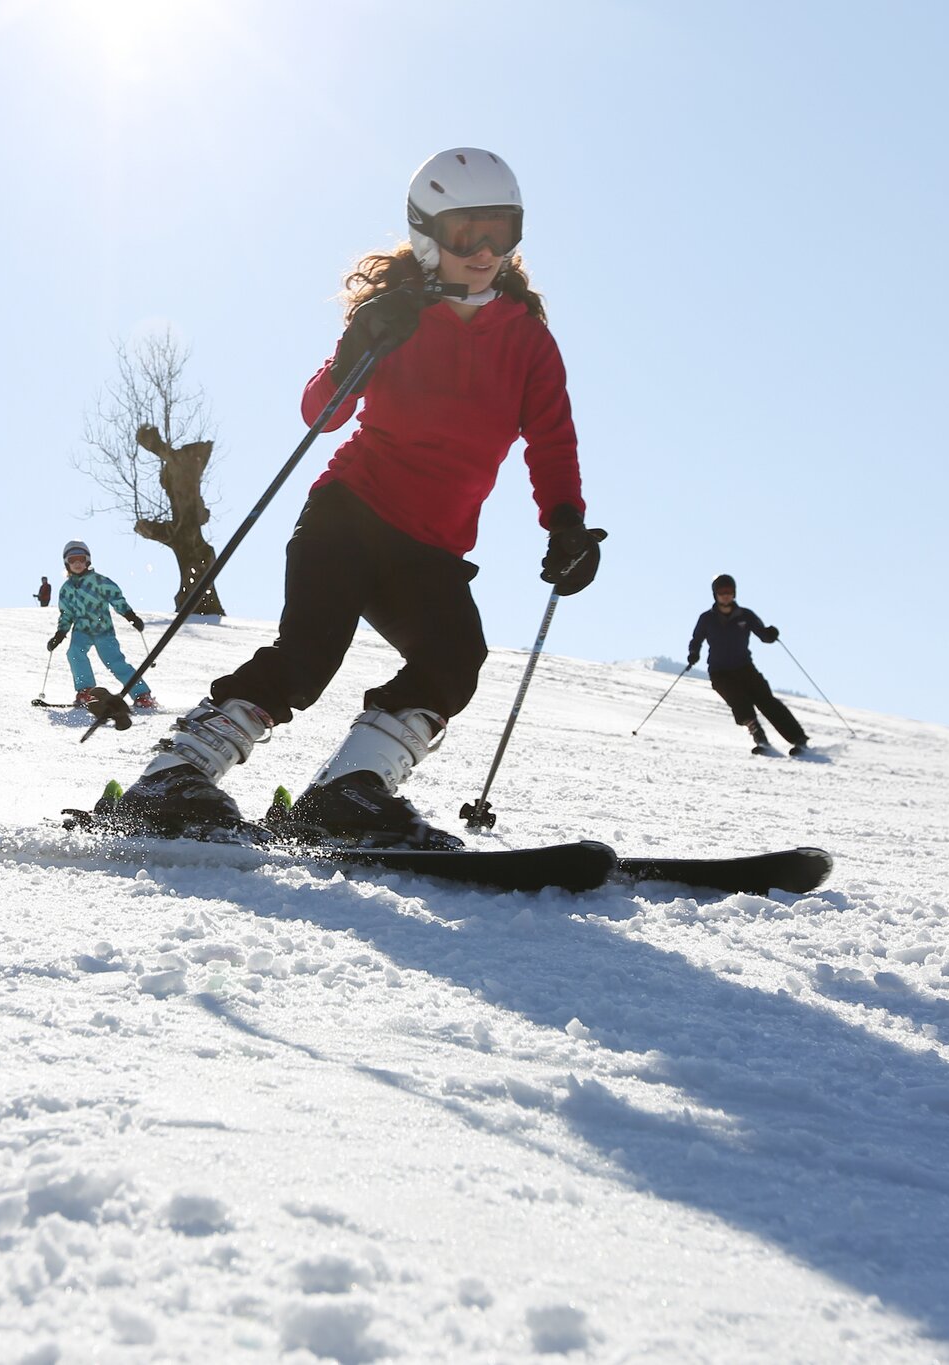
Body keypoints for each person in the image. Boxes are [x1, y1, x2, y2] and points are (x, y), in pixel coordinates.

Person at [103, 147, 602, 847]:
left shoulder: (528, 342)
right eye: (467, 233)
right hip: (350, 515)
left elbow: (551, 440)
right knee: (307, 656)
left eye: (502, 231)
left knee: (455, 659)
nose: (486, 250)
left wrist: (566, 522)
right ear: (429, 234)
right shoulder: (395, 316)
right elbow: (321, 412)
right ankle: (174, 773)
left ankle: (345, 792)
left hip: (432, 546)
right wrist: (357, 345)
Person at [687, 574, 809, 756]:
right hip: (720, 672)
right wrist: (693, 653)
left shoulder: (745, 615)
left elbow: (763, 634)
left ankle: (798, 738)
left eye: (728, 591)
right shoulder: (707, 618)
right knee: (739, 702)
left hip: (744, 667)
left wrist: (770, 634)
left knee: (766, 700)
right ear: (715, 594)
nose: (725, 595)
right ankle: (759, 737)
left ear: (734, 593)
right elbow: (696, 639)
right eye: (721, 592)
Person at [47, 540, 156, 710]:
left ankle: (142, 693)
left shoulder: (99, 581)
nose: (77, 563)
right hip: (81, 630)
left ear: (88, 561)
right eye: (72, 560)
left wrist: (130, 616)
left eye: (81, 559)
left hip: (102, 628)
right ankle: (86, 691)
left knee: (114, 661)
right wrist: (59, 635)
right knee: (74, 652)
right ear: (66, 563)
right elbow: (66, 614)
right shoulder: (66, 589)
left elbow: (116, 598)